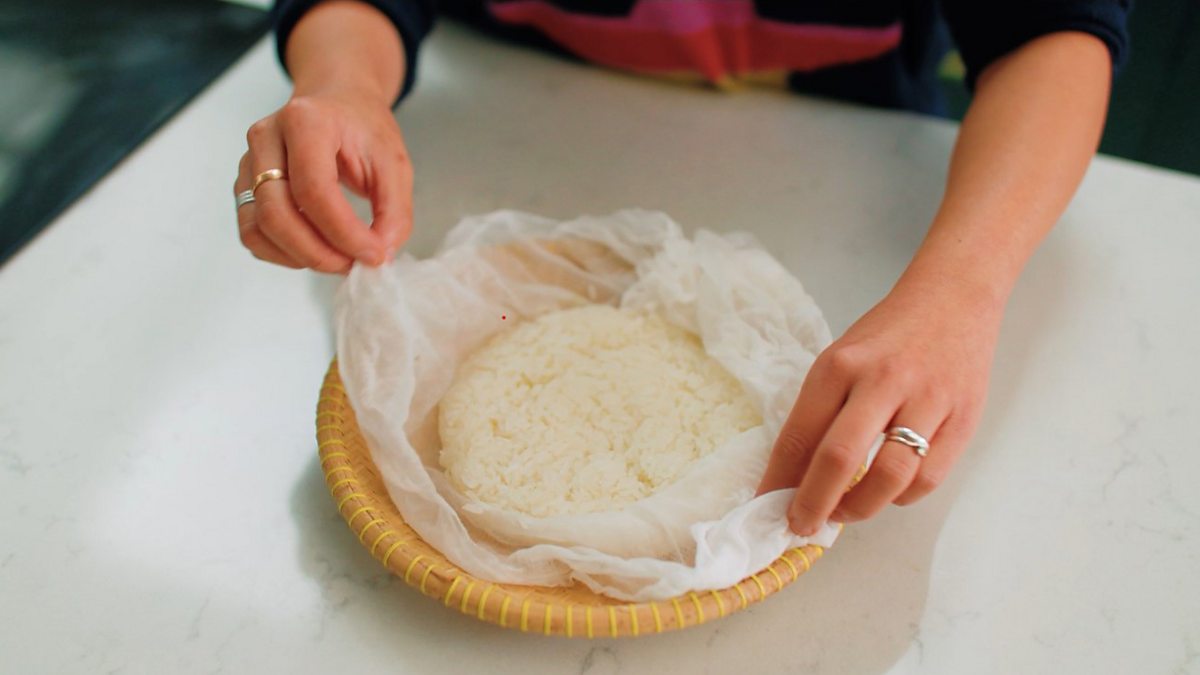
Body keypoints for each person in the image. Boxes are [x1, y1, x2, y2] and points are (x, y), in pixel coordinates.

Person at [235, 0, 1130, 536]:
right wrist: (343, 82)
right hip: (505, 115)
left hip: (851, 149)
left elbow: (1050, 29)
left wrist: (961, 288)